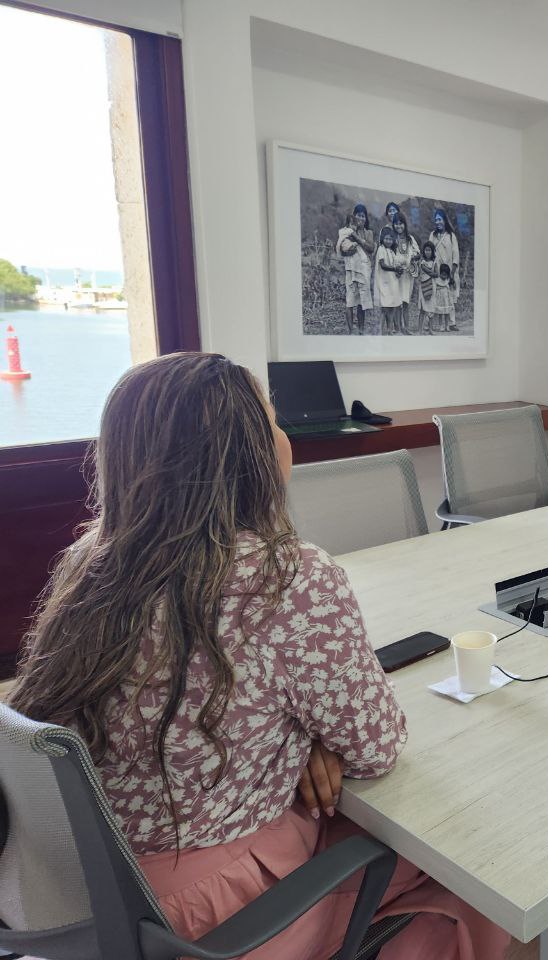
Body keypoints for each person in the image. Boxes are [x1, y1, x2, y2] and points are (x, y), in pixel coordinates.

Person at [8, 353, 510, 960]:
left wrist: (289, 741)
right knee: (478, 870)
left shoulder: (88, 564)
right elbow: (377, 747)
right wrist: (306, 740)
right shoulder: (286, 578)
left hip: (78, 893)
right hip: (209, 918)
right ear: (245, 452)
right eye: (271, 419)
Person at [336, 203, 375, 334]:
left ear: (366, 218)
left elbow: (371, 248)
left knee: (362, 300)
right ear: (354, 217)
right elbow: (342, 250)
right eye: (359, 215)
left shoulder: (368, 233)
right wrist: (350, 249)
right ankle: (350, 330)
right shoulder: (347, 231)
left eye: (363, 216)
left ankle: (361, 330)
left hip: (364, 269)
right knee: (350, 299)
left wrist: (357, 239)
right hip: (351, 269)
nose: (361, 219)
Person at [428, 208, 461, 331]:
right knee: (436, 296)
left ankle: (451, 323)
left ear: (444, 220)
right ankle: (431, 323)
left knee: (450, 297)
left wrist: (452, 273)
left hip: (449, 272)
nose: (437, 222)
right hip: (437, 272)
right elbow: (429, 251)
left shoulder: (451, 236)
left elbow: (455, 255)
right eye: (436, 220)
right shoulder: (433, 235)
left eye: (440, 219)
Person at [374, 225, 404, 335]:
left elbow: (395, 265)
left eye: (390, 239)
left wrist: (399, 270)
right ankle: (381, 330)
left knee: (392, 307)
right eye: (386, 238)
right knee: (385, 308)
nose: (388, 241)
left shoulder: (391, 252)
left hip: (392, 283)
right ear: (382, 239)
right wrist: (395, 268)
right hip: (384, 283)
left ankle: (389, 329)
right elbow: (383, 265)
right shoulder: (381, 249)